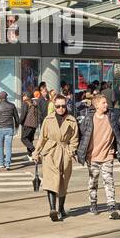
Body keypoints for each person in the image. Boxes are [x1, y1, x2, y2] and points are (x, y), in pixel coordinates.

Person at [76, 93, 120, 219]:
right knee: (93, 181)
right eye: (103, 103)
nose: (106, 105)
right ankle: (93, 203)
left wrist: (118, 149)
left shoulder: (112, 117)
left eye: (106, 102)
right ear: (96, 105)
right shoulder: (88, 119)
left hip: (107, 155)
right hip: (92, 157)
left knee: (109, 181)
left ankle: (111, 206)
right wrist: (82, 152)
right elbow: (82, 136)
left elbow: (119, 133)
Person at [34, 94, 79, 222]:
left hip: (64, 153)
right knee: (50, 180)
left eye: (63, 106)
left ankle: (61, 208)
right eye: (58, 106)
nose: (60, 108)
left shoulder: (71, 120)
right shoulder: (48, 119)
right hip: (50, 152)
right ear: (54, 106)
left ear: (66, 105)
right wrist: (36, 153)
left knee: (63, 182)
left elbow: (75, 139)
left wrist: (71, 151)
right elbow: (42, 137)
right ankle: (52, 209)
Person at [0, 92, 18, 169]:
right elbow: (16, 117)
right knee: (8, 146)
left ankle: (1, 163)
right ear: (6, 97)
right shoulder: (12, 105)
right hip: (9, 127)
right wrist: (16, 126)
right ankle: (7, 164)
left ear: (0, 98)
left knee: (0, 146)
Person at [19, 90, 44, 158]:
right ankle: (30, 155)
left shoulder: (25, 103)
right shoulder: (34, 103)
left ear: (27, 96)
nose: (23, 97)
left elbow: (23, 115)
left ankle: (34, 150)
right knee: (29, 139)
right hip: (34, 124)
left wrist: (20, 122)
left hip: (27, 124)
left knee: (23, 139)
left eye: (24, 96)